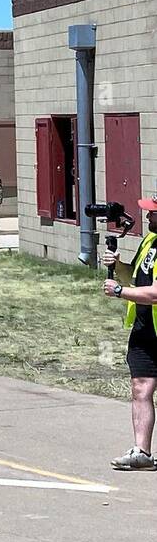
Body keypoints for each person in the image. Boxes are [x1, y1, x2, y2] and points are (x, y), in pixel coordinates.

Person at [102, 189, 157, 469]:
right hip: (145, 329)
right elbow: (136, 278)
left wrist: (120, 291)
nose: (147, 215)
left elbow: (156, 294)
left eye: (153, 212)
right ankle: (142, 452)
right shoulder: (150, 240)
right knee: (140, 387)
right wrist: (119, 266)